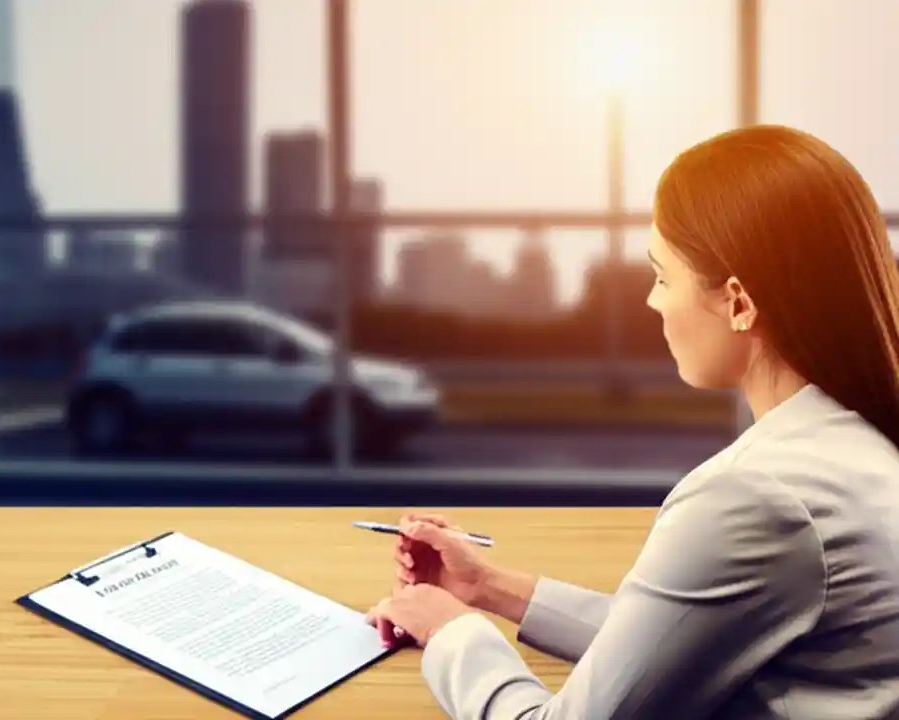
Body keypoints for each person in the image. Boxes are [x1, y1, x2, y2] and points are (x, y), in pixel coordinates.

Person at [365, 125, 899, 719]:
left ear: (739, 303)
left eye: (663, 276)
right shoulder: (854, 439)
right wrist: (487, 587)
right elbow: (676, 637)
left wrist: (452, 633)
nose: (653, 301)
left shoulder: (755, 496)